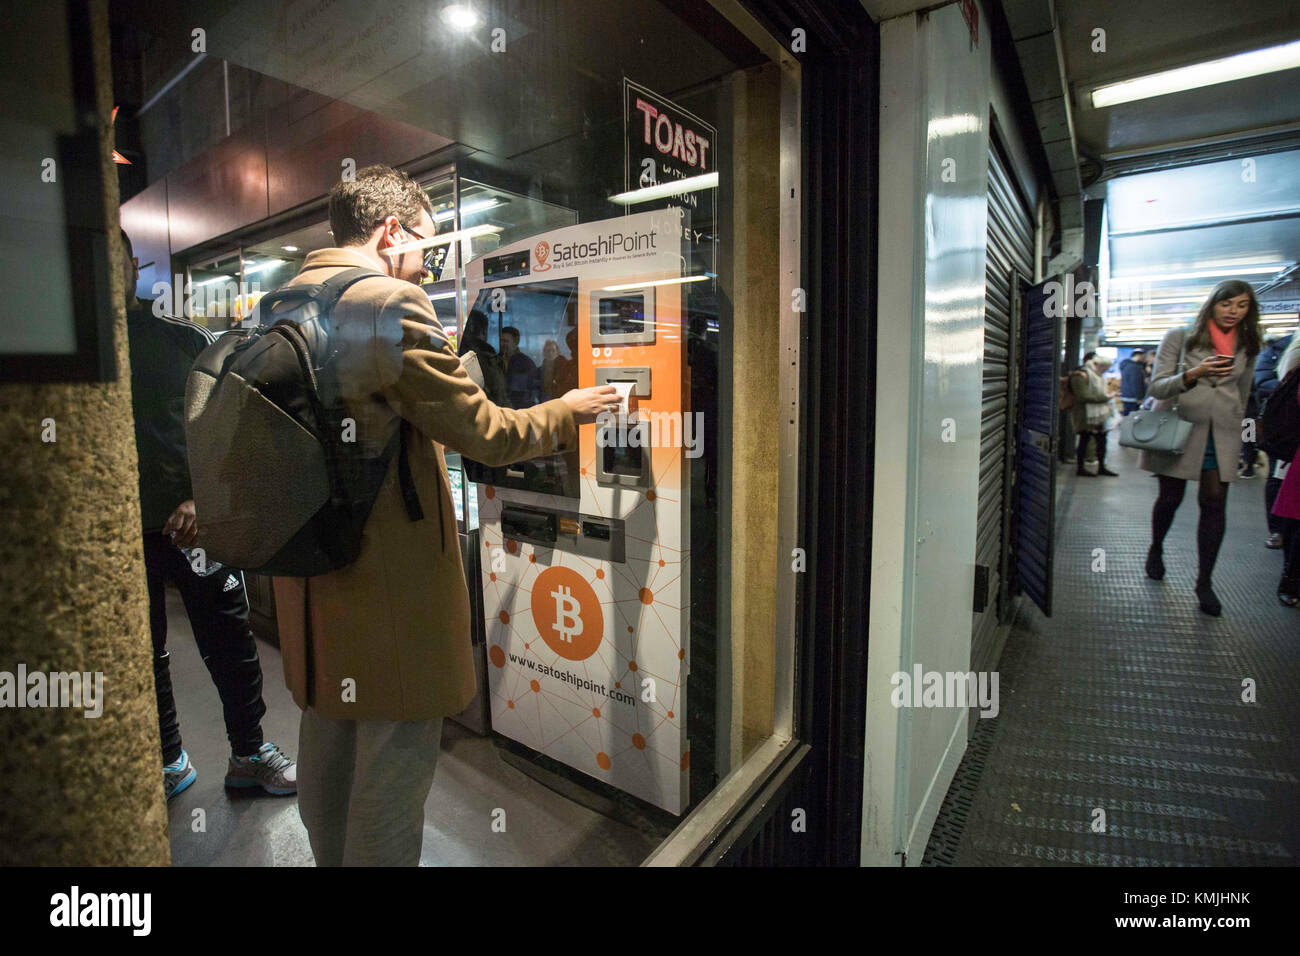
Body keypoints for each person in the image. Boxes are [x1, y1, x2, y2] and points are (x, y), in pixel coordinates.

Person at [268, 165, 620, 866]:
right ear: (391, 231)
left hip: (309, 586)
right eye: (426, 246)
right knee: (391, 781)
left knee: (330, 755)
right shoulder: (387, 303)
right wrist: (568, 412)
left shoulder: (284, 300)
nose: (428, 265)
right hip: (389, 591)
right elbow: (485, 431)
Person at [120, 229, 296, 800]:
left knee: (228, 639)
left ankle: (248, 753)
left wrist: (203, 498)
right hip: (121, 539)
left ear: (130, 265)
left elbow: (228, 427)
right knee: (141, 653)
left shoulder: (179, 340)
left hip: (194, 527)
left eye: (113, 259)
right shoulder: (81, 348)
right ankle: (168, 759)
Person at [1141, 279, 1261, 616]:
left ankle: (1204, 582)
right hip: (1180, 428)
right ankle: (1156, 548)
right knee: (1170, 497)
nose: (1233, 312)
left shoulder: (1249, 343)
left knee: (1214, 501)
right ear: (1212, 304)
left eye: (1242, 305)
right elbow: (1157, 387)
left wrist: (1244, 433)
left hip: (1221, 432)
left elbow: (1244, 391)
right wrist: (1194, 373)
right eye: (1227, 304)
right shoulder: (1180, 336)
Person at [1255, 331, 1295, 547]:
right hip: (1263, 418)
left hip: (1260, 416)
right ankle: (1277, 530)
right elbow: (1261, 383)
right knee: (1276, 474)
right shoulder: (1279, 350)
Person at [1070, 352, 1117, 476]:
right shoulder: (1080, 375)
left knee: (1101, 440)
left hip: (1099, 414)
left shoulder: (1098, 376)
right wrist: (1105, 397)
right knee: (1084, 440)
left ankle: (1101, 466)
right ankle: (1080, 468)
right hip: (1085, 414)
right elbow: (1082, 396)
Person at [500, 325, 541, 407]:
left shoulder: (525, 363)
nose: (502, 344)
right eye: (501, 341)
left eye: (506, 341)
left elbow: (525, 393)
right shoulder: (496, 360)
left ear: (515, 343)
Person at [1119, 348, 1148, 415]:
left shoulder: (1126, 365)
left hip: (1126, 396)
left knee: (1127, 417)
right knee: (1132, 418)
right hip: (1133, 398)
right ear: (1138, 356)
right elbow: (1136, 383)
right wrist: (1139, 397)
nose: (1145, 359)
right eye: (1144, 357)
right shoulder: (1135, 367)